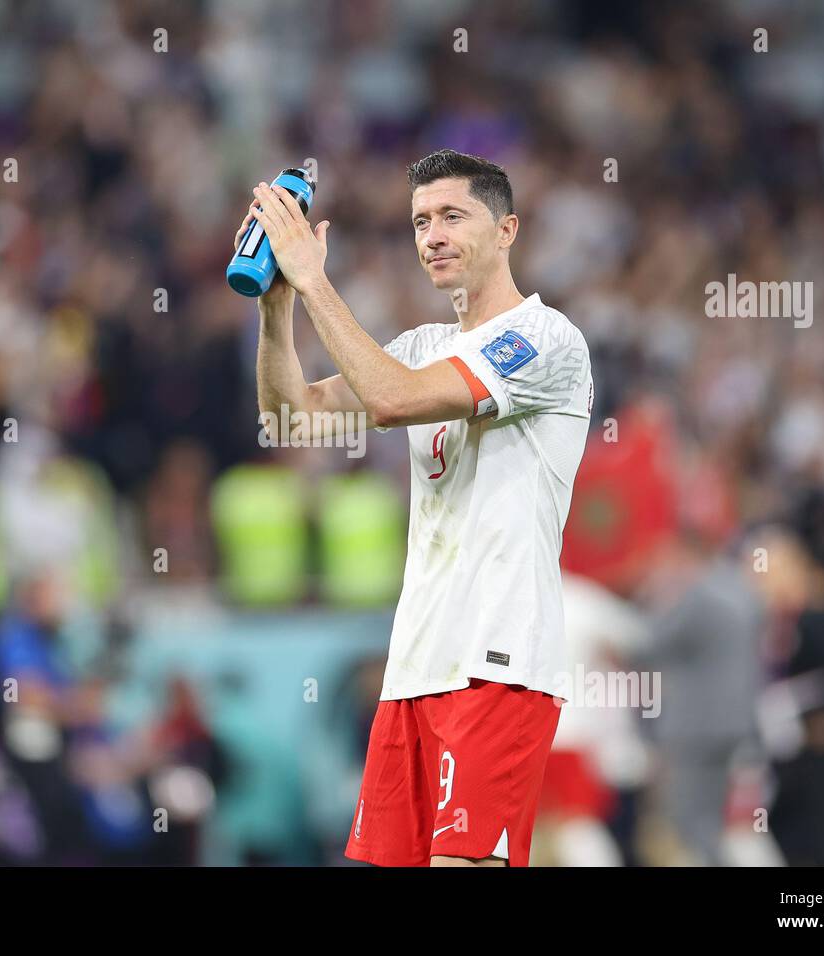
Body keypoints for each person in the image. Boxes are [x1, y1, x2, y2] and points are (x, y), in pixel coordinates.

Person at [240, 149, 593, 866]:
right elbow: (290, 419)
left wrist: (313, 280)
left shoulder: (547, 338)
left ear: (507, 230)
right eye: (420, 221)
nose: (432, 234)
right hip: (415, 666)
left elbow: (395, 399)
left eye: (453, 216)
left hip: (499, 658)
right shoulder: (422, 347)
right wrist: (277, 307)